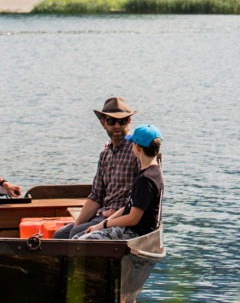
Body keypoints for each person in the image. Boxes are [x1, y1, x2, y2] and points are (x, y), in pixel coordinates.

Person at [55, 96, 140, 239]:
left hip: (123, 218)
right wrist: (78, 223)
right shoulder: (105, 155)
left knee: (76, 234)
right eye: (111, 121)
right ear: (103, 124)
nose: (117, 126)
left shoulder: (136, 151)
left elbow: (143, 195)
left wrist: (118, 212)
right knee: (60, 235)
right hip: (103, 214)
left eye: (122, 121)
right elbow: (96, 197)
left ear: (129, 122)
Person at [73, 124, 164, 240]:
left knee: (80, 240)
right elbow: (129, 206)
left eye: (132, 143)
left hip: (136, 233)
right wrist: (102, 224)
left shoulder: (146, 179)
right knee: (79, 236)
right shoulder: (152, 172)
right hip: (130, 229)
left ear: (138, 147)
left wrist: (105, 225)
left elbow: (132, 219)